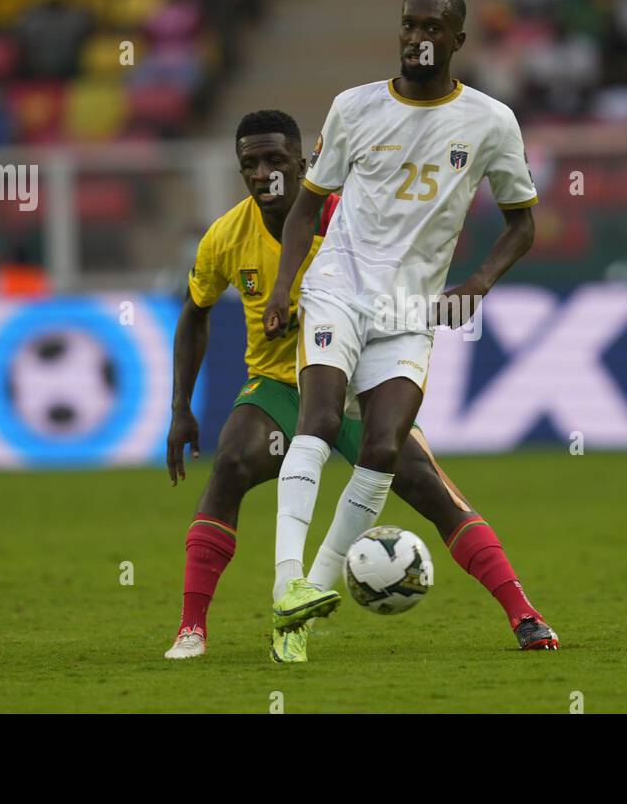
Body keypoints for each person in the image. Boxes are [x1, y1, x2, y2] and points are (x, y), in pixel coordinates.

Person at [165, 108, 556, 662]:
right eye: (250, 164)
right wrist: (181, 407)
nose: (263, 173)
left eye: (276, 160)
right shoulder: (226, 237)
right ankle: (192, 629)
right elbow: (194, 312)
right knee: (230, 462)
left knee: (430, 489)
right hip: (279, 387)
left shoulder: (357, 221)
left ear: (306, 163)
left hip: (357, 387)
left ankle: (524, 613)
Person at [260, 0, 557, 655]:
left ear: (458, 40)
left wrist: (479, 281)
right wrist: (286, 285)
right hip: (338, 286)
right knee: (320, 417)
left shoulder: (490, 122)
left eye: (434, 26)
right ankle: (286, 584)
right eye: (408, 25)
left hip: (408, 308)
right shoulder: (354, 106)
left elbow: (523, 222)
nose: (418, 37)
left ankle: (308, 600)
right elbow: (307, 207)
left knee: (387, 447)